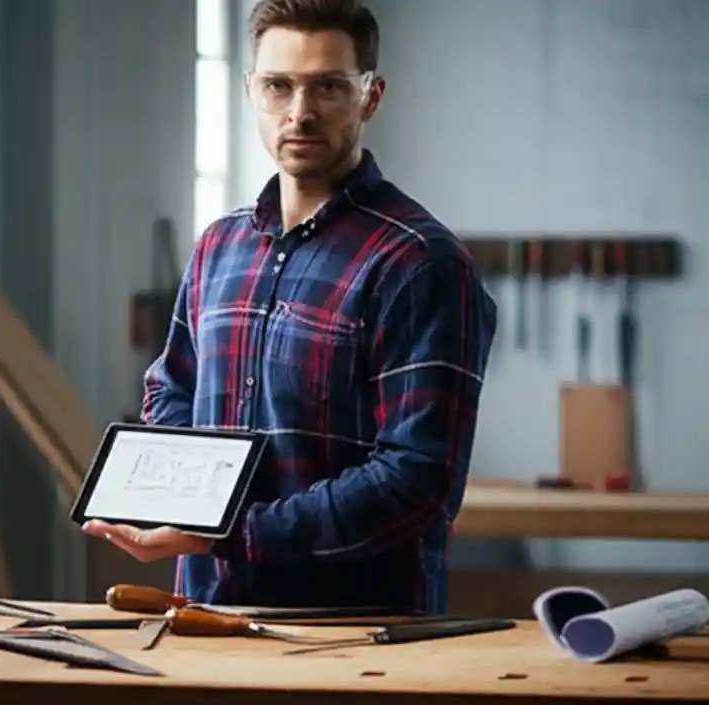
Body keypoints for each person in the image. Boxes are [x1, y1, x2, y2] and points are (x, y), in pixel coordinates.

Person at [82, 0, 497, 614]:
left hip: (357, 636)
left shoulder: (421, 264)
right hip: (206, 618)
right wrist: (159, 496)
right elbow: (172, 391)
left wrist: (235, 534)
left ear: (371, 96)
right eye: (279, 86)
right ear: (252, 92)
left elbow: (418, 482)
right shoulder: (218, 247)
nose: (300, 113)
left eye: (328, 87)